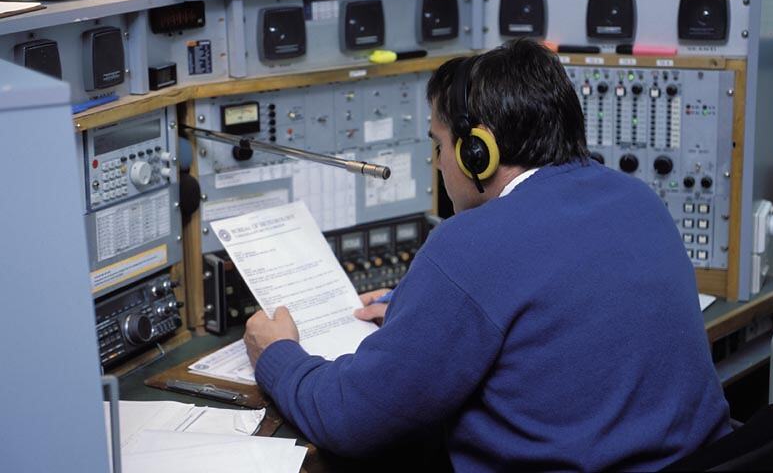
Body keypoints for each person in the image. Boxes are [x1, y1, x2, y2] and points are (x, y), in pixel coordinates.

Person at [243, 38, 731, 470]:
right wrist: (423, 316)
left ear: (478, 151)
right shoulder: (637, 198)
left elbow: (350, 418)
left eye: (439, 145)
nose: (438, 164)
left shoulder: (470, 244)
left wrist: (279, 355)